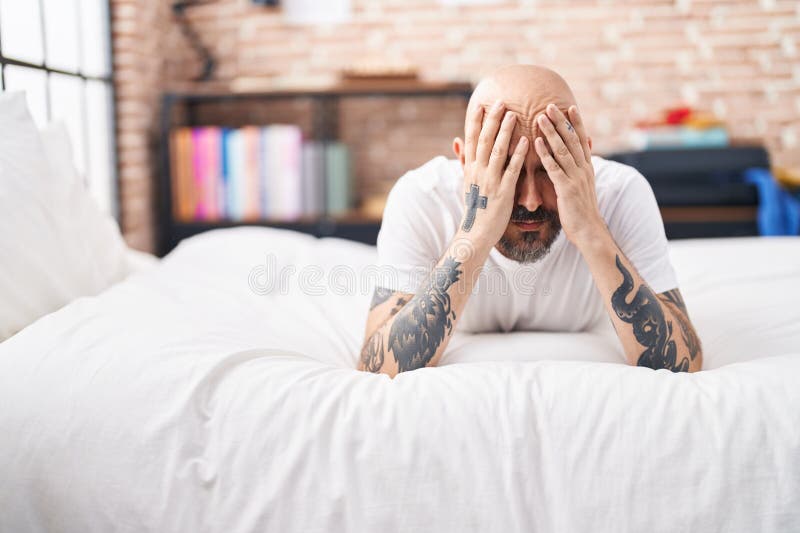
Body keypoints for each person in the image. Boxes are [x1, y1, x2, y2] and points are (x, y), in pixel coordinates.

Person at [358, 64, 702, 377]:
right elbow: (378, 366)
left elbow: (682, 362)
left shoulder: (621, 192)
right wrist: (476, 233)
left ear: (582, 157)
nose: (531, 200)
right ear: (465, 162)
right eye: (507, 170)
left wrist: (590, 229)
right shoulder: (422, 197)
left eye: (549, 171)